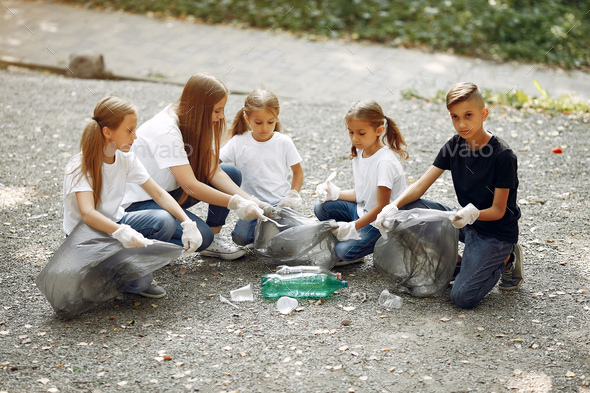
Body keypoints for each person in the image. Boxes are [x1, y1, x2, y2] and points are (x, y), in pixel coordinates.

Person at [377, 82, 523, 309]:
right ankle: (456, 263)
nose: (462, 124)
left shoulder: (503, 156)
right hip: (463, 220)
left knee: (462, 297)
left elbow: (498, 211)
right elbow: (419, 187)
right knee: (406, 209)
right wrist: (392, 206)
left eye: (468, 115)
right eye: (455, 117)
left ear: (484, 114)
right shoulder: (454, 146)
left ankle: (506, 259)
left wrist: (472, 215)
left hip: (495, 232)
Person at [63, 96, 203, 299]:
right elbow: (88, 213)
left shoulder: (125, 157)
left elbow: (158, 193)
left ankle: (126, 263)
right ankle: (94, 272)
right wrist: (121, 231)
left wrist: (187, 222)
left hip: (116, 223)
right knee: (141, 281)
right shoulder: (80, 165)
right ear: (107, 132)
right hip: (86, 237)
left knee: (163, 221)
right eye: (129, 130)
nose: (135, 136)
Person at [123, 73, 267, 260]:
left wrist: (252, 201)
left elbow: (212, 170)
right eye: (217, 110)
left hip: (165, 193)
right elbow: (190, 186)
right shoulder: (165, 130)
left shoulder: (192, 118)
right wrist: (236, 203)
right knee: (202, 237)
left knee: (230, 173)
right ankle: (142, 247)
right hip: (138, 203)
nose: (221, 116)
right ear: (200, 107)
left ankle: (214, 237)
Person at [314, 99, 408, 266]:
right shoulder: (360, 152)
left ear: (379, 130)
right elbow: (364, 194)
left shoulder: (384, 162)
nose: (355, 138)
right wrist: (334, 194)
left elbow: (381, 207)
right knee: (320, 207)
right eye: (351, 132)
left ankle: (364, 247)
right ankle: (350, 236)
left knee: (343, 251)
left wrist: (353, 227)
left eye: (361, 133)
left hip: (381, 223)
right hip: (363, 211)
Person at [220, 89, 304, 246]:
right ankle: (266, 233)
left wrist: (292, 195)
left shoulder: (283, 142)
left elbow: (298, 172)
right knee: (241, 239)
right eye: (258, 123)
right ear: (247, 119)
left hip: (280, 204)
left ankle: (267, 233)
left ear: (276, 118)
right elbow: (215, 163)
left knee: (297, 237)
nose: (265, 128)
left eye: (271, 122)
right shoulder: (239, 141)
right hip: (253, 205)